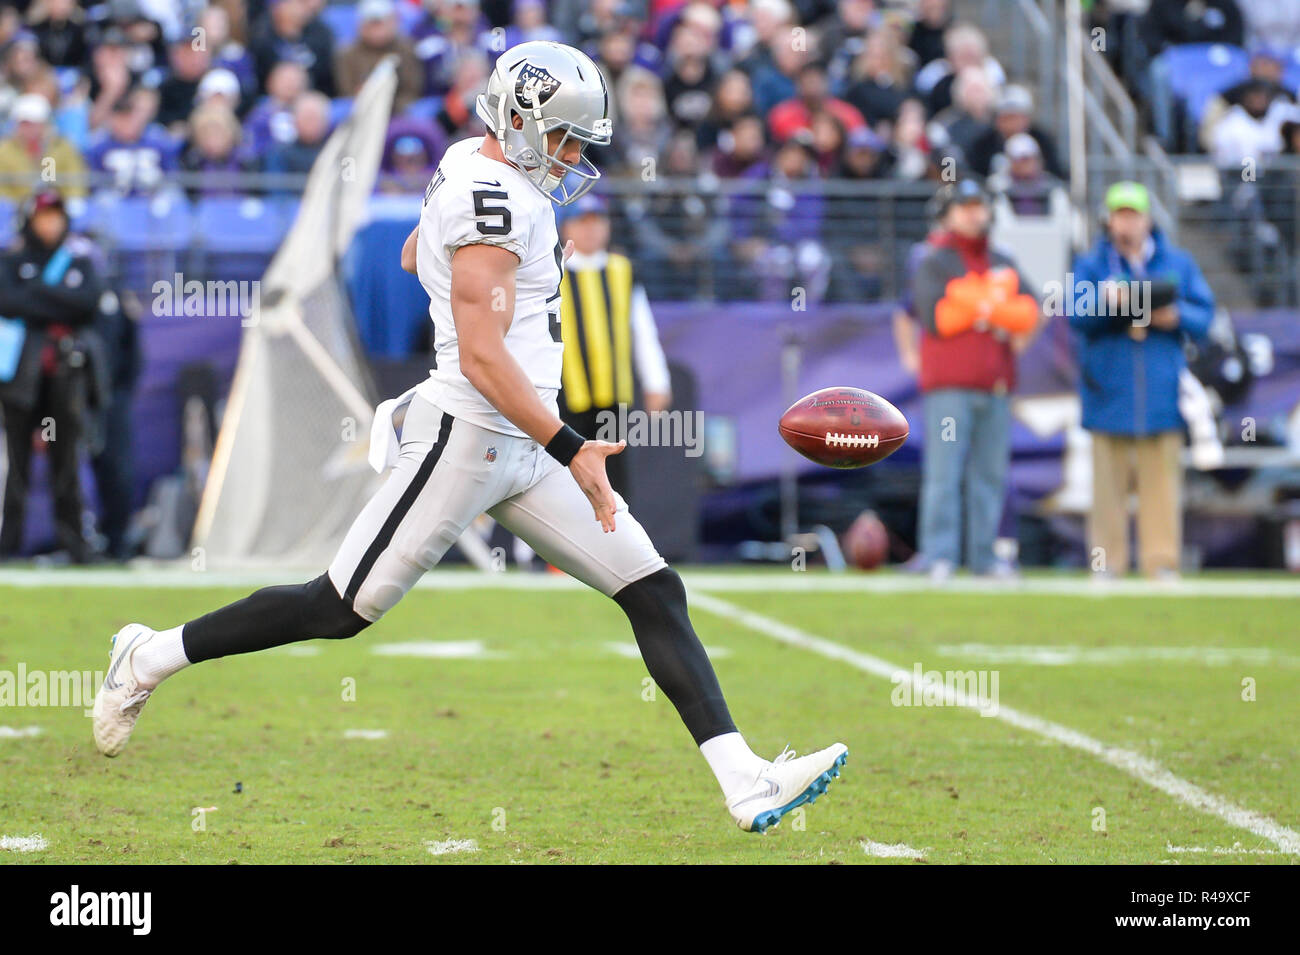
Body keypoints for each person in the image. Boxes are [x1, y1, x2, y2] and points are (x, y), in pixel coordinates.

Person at [91, 41, 847, 835]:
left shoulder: (475, 168)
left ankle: (743, 779)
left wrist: (531, 408)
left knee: (651, 585)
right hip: (472, 436)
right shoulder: (495, 199)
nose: (574, 156)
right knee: (340, 607)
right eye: (563, 137)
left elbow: (420, 251)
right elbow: (484, 357)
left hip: (521, 440)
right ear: (520, 122)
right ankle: (147, 655)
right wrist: (572, 447)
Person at [1069, 181, 1215, 579]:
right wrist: (1115, 304)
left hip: (1161, 390)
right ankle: (1106, 563)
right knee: (1107, 489)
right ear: (1109, 219)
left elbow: (1206, 317)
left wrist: (1175, 316)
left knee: (1161, 487)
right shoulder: (1092, 264)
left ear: (1149, 219)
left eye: (1133, 214)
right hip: (1108, 388)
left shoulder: (1177, 262)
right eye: (1120, 214)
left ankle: (1162, 562)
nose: (1127, 223)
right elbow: (1077, 315)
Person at [908, 179, 1042, 579]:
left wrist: (972, 301)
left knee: (990, 476)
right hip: (949, 385)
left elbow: (1029, 313)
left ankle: (985, 557)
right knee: (944, 474)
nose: (972, 214)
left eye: (978, 206)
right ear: (949, 214)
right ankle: (939, 554)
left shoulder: (1003, 259)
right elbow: (939, 318)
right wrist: (995, 304)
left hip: (996, 384)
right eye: (964, 207)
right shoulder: (934, 260)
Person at [0, 190, 104, 564]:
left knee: (66, 462)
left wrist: (36, 293)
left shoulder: (80, 262)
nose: (50, 224)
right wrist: (58, 300)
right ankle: (8, 545)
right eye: (43, 217)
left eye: (56, 216)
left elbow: (88, 304)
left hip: (64, 374)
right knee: (17, 463)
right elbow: (7, 301)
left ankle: (74, 543)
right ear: (31, 220)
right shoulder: (11, 261)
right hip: (22, 379)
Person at [556, 192, 672, 499]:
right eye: (583, 222)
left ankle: (614, 539)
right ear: (567, 228)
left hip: (613, 396)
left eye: (598, 222)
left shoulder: (623, 270)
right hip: (565, 397)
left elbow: (643, 330)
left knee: (614, 478)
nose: (591, 229)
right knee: (562, 477)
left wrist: (656, 382)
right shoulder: (553, 272)